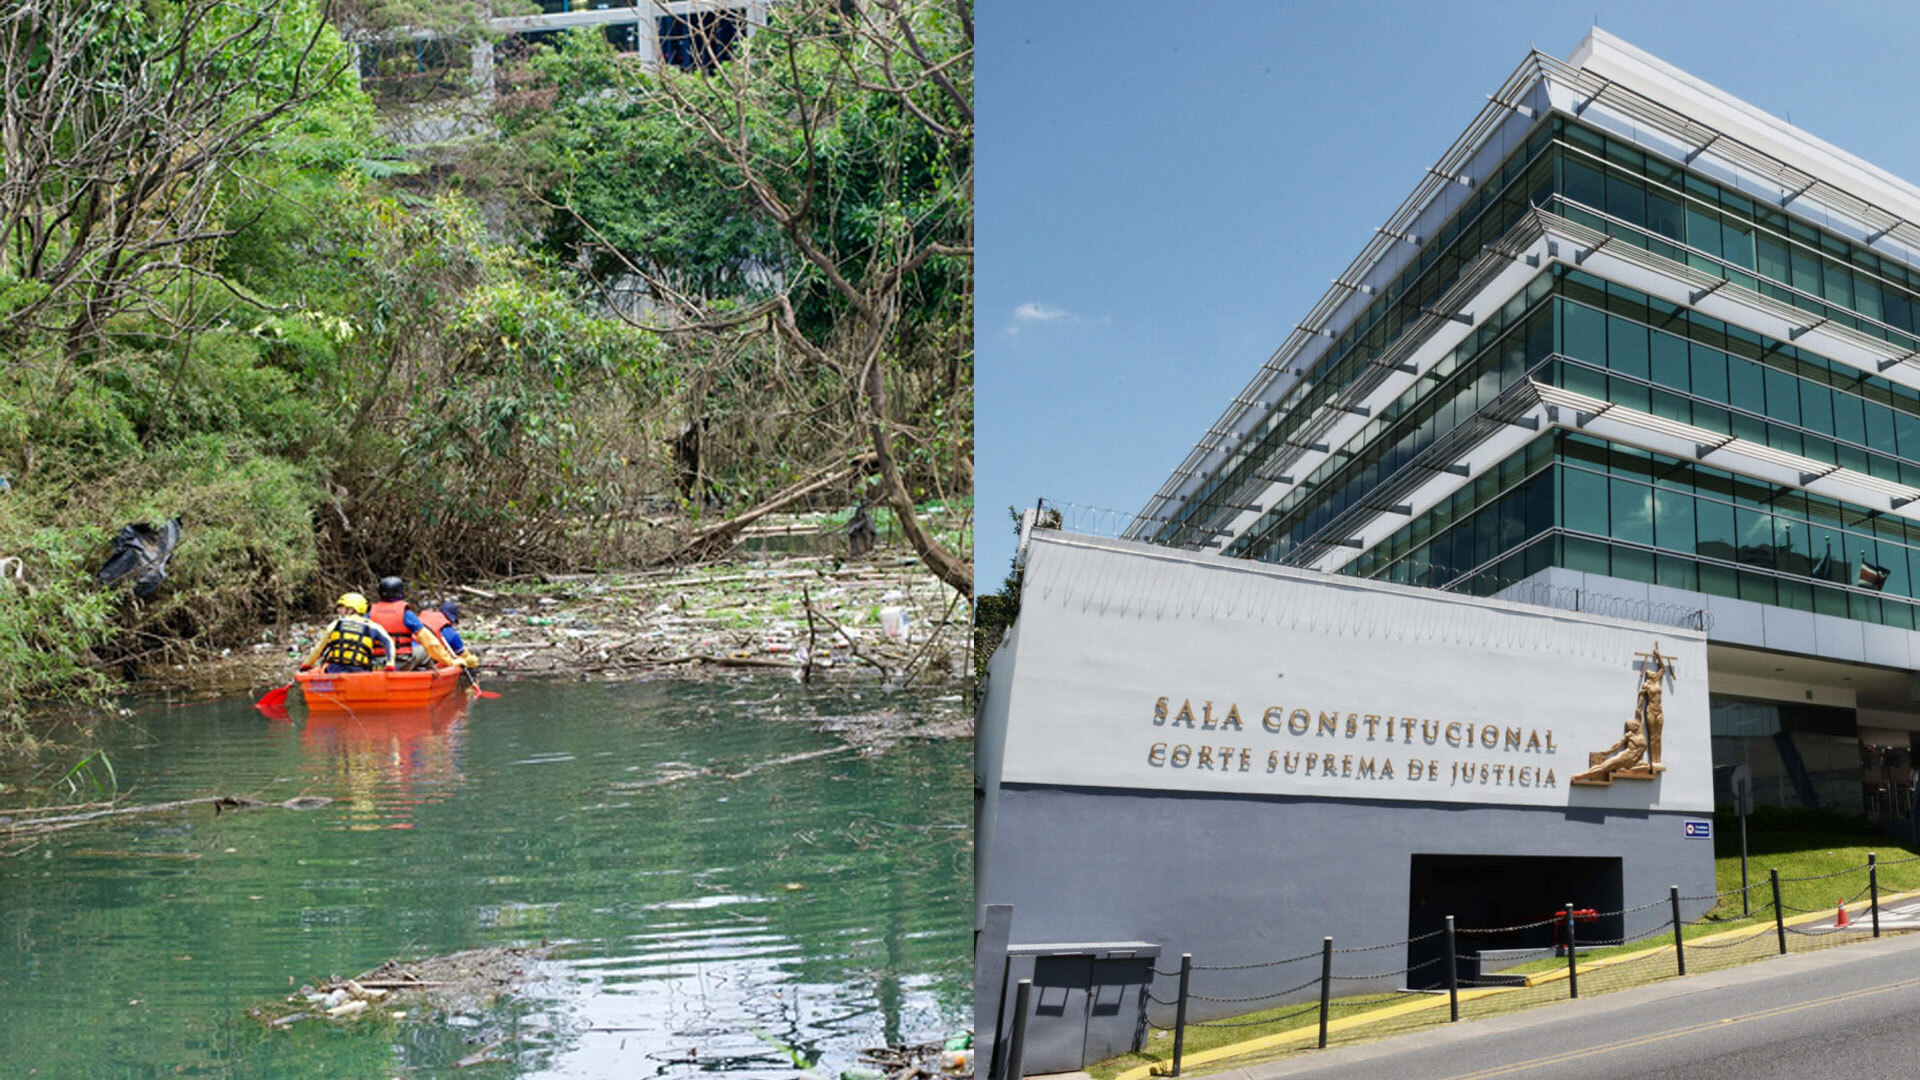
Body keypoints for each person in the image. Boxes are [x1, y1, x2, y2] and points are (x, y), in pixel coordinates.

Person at [368, 576, 456, 670]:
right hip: (400, 662)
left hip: (374, 661)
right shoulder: (406, 614)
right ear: (400, 594)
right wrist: (449, 661)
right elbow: (428, 640)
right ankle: (433, 676)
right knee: (424, 650)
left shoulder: (370, 613)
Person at [300, 593, 396, 674]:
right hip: (360, 671)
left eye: (341, 607)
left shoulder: (335, 624)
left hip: (334, 670)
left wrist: (307, 665)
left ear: (351, 609)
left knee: (322, 668)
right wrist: (390, 664)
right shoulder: (374, 627)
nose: (338, 610)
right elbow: (389, 642)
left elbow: (319, 649)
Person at [419, 599, 478, 668]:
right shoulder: (448, 630)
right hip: (424, 656)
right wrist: (469, 659)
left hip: (410, 651)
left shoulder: (425, 617)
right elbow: (462, 653)